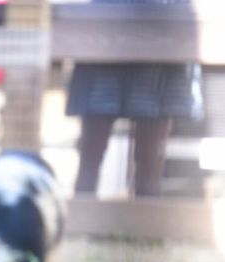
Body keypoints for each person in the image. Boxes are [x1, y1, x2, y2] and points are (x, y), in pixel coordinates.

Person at [67, 0, 204, 196]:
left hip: (163, 36)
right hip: (103, 34)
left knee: (149, 162)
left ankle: (146, 220)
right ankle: (81, 217)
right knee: (90, 160)